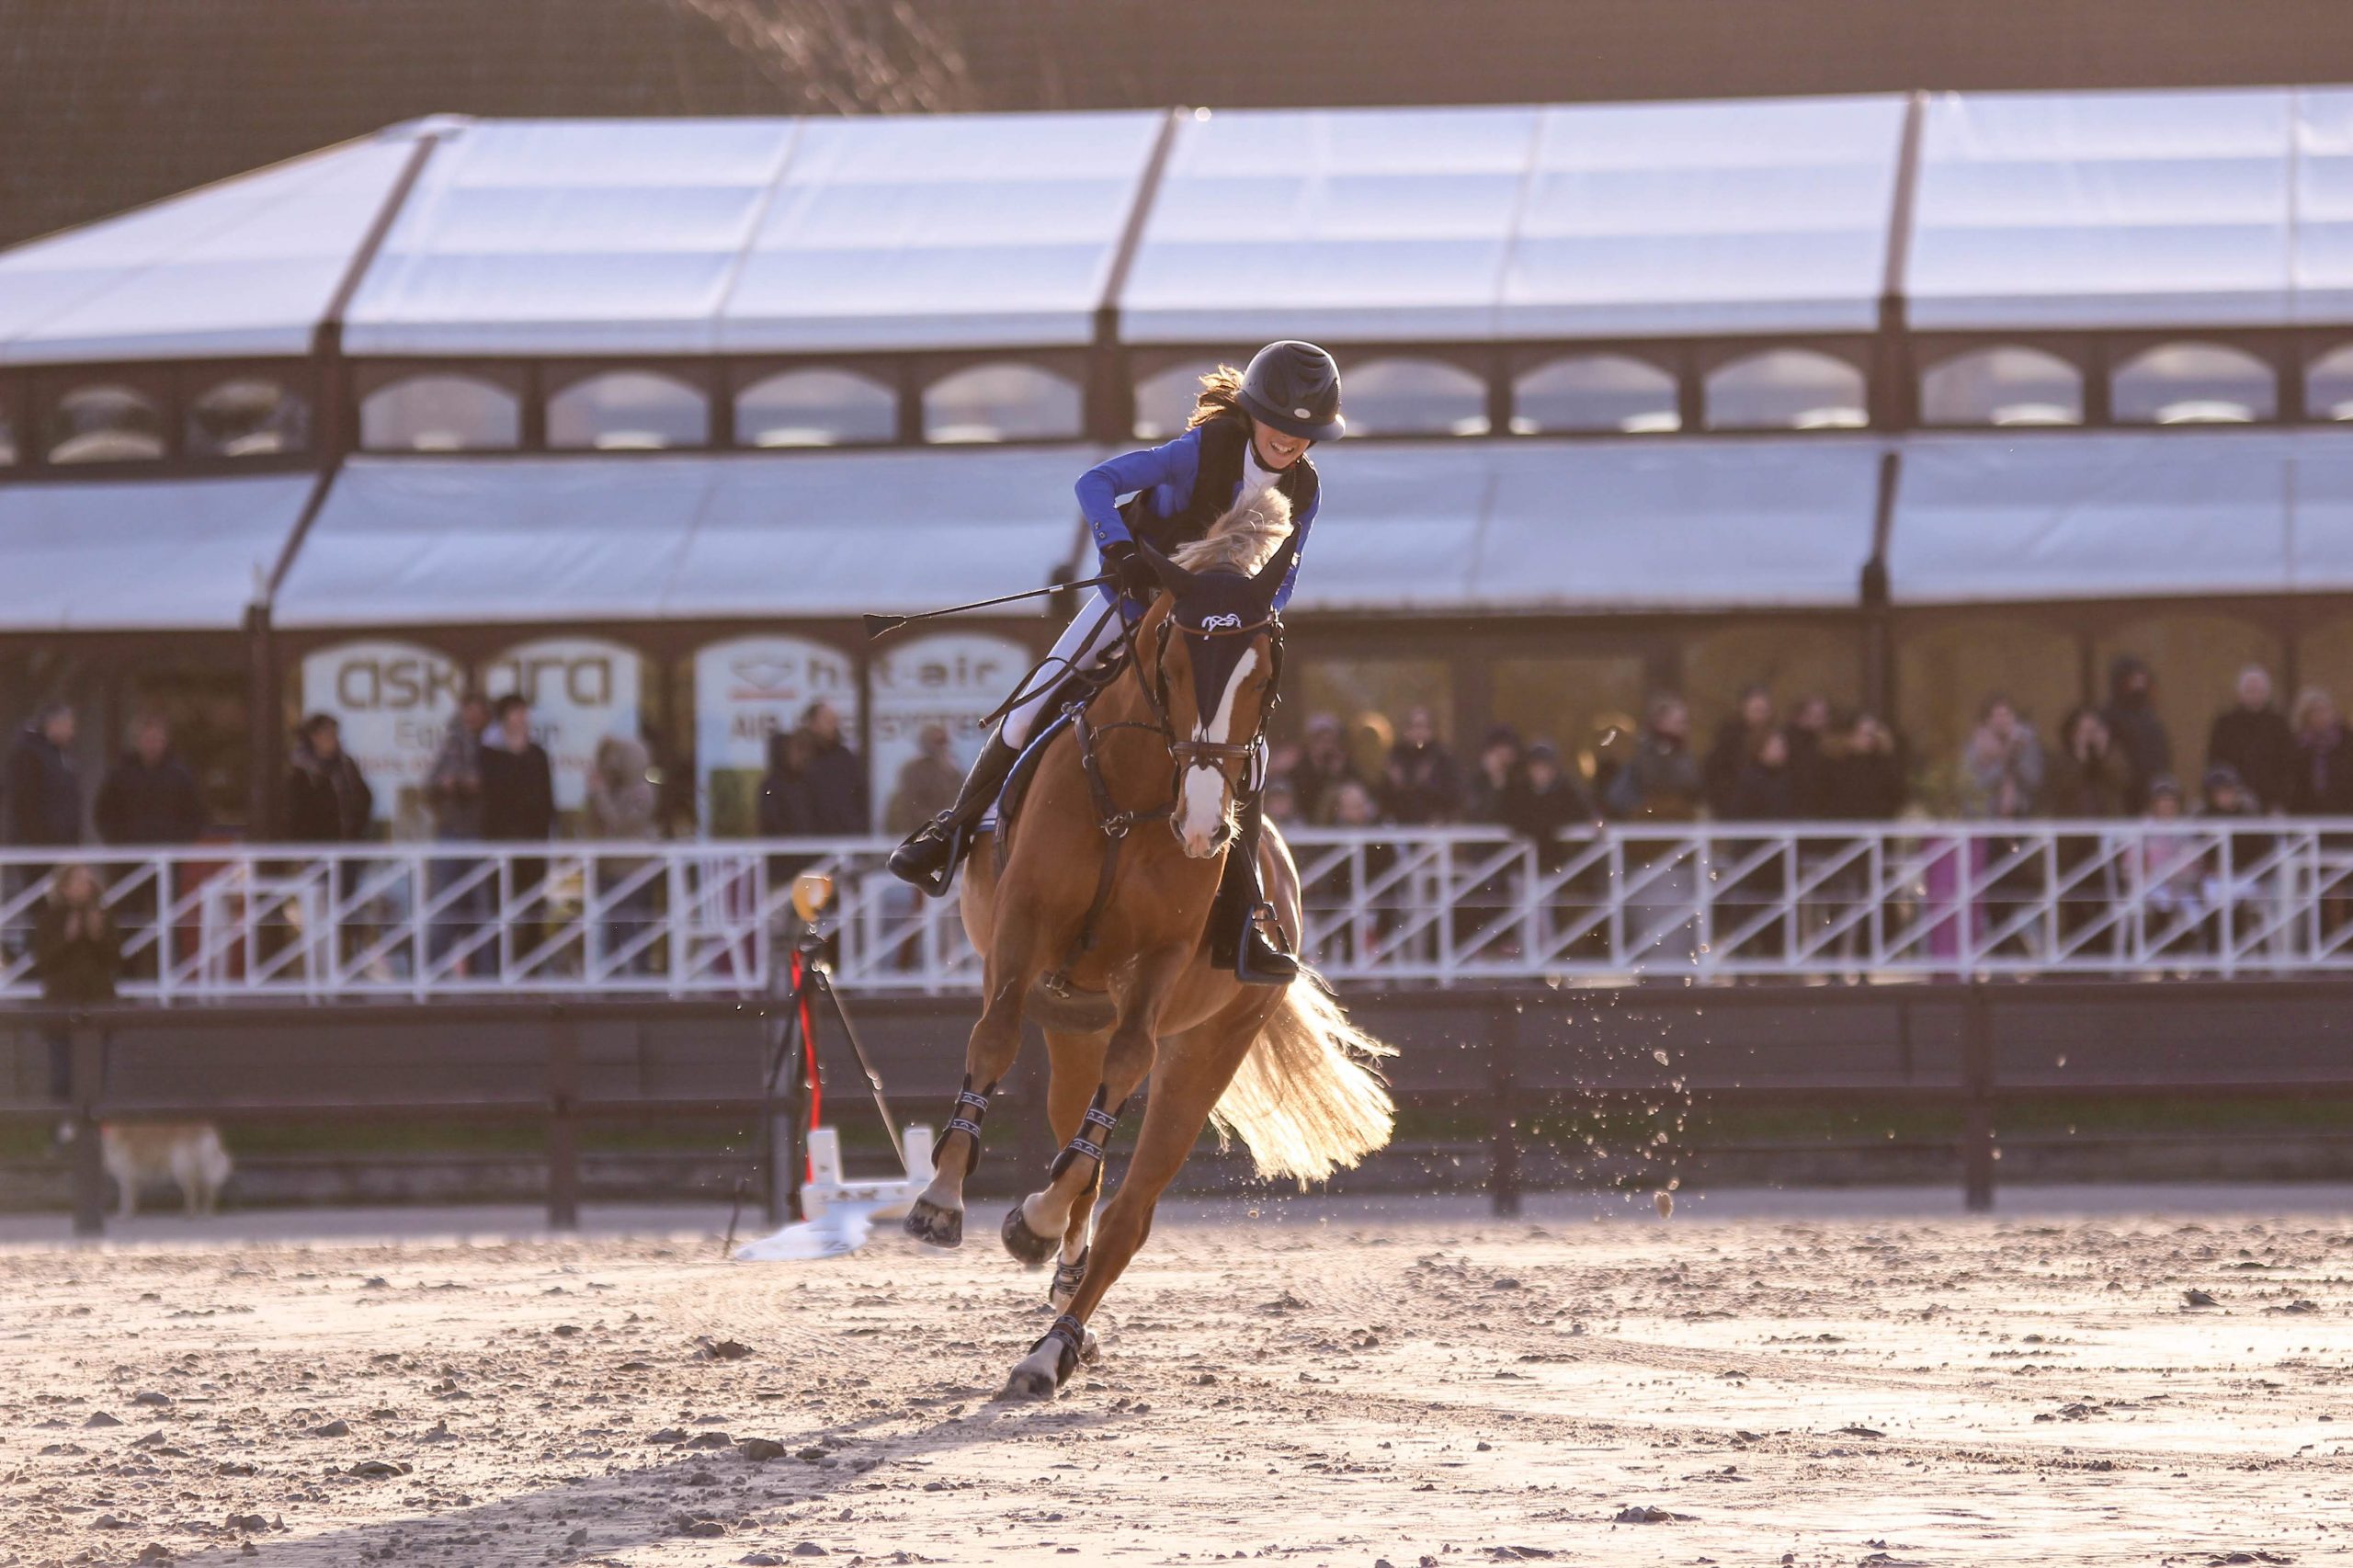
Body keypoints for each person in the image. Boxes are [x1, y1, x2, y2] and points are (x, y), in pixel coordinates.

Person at [886, 342, 1344, 984]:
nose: (1292, 441)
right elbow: (1094, 483)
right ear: (1253, 414)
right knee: (1031, 705)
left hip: (1212, 633)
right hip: (1134, 605)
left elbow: (1286, 574)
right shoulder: (1202, 450)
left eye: (1306, 432)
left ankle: (1243, 913)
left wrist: (1240, 613)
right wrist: (1120, 547)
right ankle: (950, 833)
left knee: (1252, 753)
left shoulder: (1307, 488)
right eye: (1282, 425)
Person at [33, 864, 119, 1107]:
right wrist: (66, 938)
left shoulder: (102, 916)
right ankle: (62, 1135)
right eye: (80, 881)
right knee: (63, 1078)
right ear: (65, 888)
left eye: (89, 881)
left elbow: (115, 960)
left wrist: (97, 935)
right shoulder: (49, 920)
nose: (87, 886)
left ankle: (97, 1136)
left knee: (97, 1078)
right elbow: (43, 964)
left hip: (97, 1005)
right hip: (62, 1008)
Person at [424, 694, 491, 968]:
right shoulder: (450, 746)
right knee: (444, 908)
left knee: (484, 911)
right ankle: (432, 974)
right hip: (450, 832)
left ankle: (489, 977)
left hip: (483, 835)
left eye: (478, 713)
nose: (472, 719)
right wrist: (445, 785)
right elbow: (428, 787)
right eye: (468, 713)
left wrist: (480, 786)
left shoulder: (494, 747)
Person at [585, 733, 659, 974]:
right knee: (612, 929)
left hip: (633, 871)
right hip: (609, 869)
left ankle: (640, 975)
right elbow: (595, 822)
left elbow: (620, 823)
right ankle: (611, 976)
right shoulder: (611, 790)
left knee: (634, 928)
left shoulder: (642, 793)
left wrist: (600, 794)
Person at [93, 714, 205, 846]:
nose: (152, 745)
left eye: (157, 739)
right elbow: (104, 812)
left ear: (165, 741)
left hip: (169, 854)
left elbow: (195, 813)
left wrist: (180, 842)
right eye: (147, 739)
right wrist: (119, 840)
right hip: (127, 856)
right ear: (137, 741)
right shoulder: (120, 774)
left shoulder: (180, 775)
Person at [2205, 665, 2294, 814]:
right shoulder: (2225, 724)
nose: (2254, 695)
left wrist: (2281, 800)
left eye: (2259, 690)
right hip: (2232, 802)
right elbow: (2215, 761)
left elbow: (2287, 765)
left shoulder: (2279, 725)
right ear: (2239, 693)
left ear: (2267, 693)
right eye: (2249, 690)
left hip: (2271, 802)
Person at [284, 714, 372, 842]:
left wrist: (357, 828)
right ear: (313, 737)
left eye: (334, 733)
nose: (333, 738)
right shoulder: (300, 771)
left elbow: (363, 797)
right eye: (327, 734)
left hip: (348, 845)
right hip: (314, 847)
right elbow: (295, 813)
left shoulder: (346, 766)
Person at [6, 701, 82, 849]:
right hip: (39, 847)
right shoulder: (28, 755)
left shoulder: (61, 756)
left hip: (62, 844)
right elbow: (24, 802)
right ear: (54, 724)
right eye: (69, 726)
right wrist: (39, 840)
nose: (72, 733)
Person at [2101, 654, 2171, 812]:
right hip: (2121, 793)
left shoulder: (2149, 717)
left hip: (2150, 790)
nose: (2139, 685)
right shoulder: (2109, 716)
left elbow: (2161, 754)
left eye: (2142, 679)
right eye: (2134, 679)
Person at [1381, 707, 1463, 825]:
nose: (1418, 731)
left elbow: (1454, 796)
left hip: (1434, 829)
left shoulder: (1442, 758)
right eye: (1414, 726)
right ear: (1406, 730)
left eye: (1423, 726)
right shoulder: (1395, 758)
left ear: (1431, 730)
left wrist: (1428, 785)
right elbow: (1383, 800)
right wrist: (1394, 785)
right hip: (1400, 829)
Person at [1704, 686, 1774, 817]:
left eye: (1764, 711)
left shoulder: (1775, 739)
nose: (1761, 716)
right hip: (1735, 810)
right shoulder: (1728, 740)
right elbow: (1716, 775)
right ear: (1744, 710)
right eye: (1756, 710)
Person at [884, 724, 962, 837]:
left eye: (944, 741)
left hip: (948, 831)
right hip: (920, 832)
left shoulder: (953, 770)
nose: (943, 746)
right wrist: (935, 823)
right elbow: (912, 805)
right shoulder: (913, 770)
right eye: (938, 742)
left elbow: (959, 798)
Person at [1290, 712, 1362, 824]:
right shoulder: (1299, 770)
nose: (1327, 746)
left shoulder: (1346, 767)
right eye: (1321, 741)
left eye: (1331, 741)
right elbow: (1304, 800)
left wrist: (1338, 773)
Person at [1463, 725, 1523, 824]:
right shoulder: (1476, 782)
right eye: (1498, 754)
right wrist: (1495, 782)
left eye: (1507, 754)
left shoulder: (1520, 781)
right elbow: (1477, 817)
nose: (1502, 760)